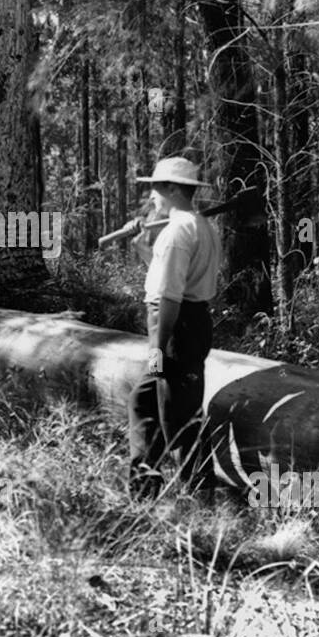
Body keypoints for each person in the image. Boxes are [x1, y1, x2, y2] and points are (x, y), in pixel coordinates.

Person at [127, 157, 223, 499]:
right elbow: (172, 281)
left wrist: (157, 346)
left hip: (173, 331)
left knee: (180, 412)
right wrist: (144, 252)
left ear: (170, 189)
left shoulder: (176, 233)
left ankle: (200, 496)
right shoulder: (200, 228)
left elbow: (169, 297)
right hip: (190, 325)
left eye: (155, 187)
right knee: (149, 402)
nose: (152, 195)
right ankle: (145, 491)